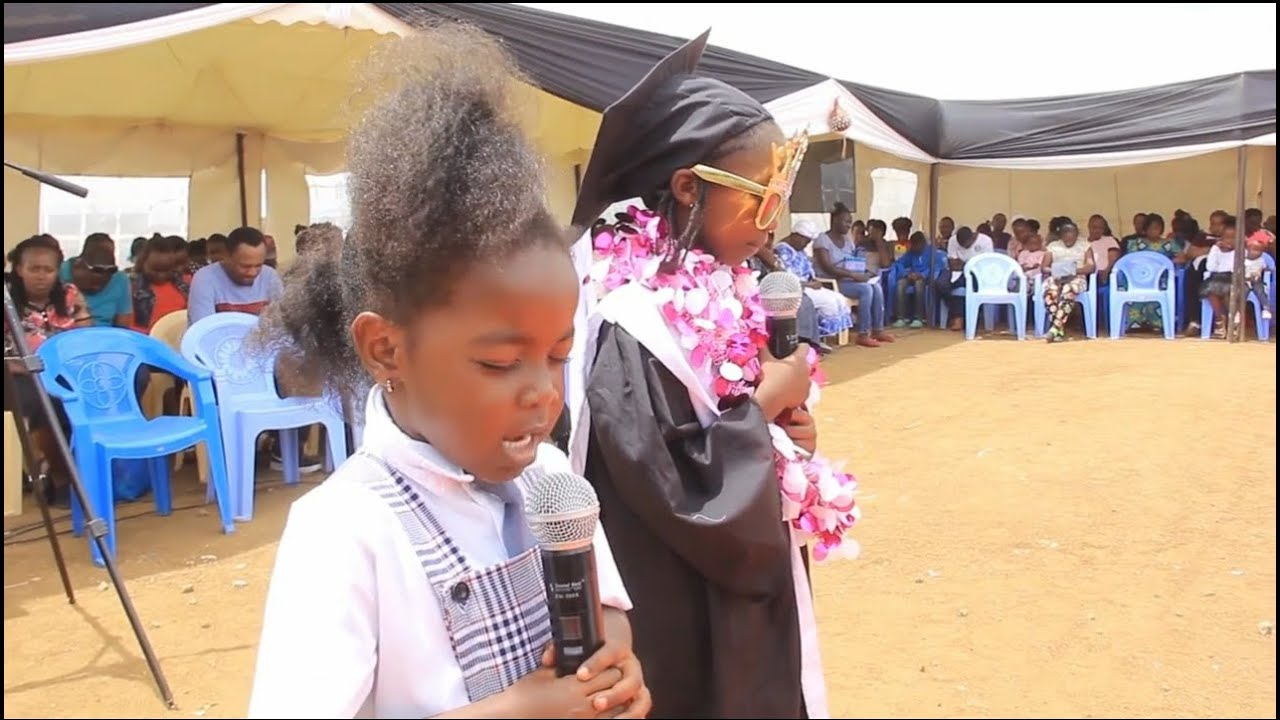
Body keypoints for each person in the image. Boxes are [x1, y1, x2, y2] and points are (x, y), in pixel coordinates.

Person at [247, 27, 649, 719]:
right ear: (385, 351)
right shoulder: (344, 531)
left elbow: (607, 607)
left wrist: (612, 658)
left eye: (559, 355)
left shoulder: (551, 482)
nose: (544, 392)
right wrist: (523, 710)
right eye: (499, 362)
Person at [567, 30, 857, 719]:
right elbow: (669, 486)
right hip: (679, 587)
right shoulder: (629, 314)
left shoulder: (735, 284)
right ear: (688, 187)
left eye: (779, 197)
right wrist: (763, 407)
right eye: (759, 195)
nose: (772, 219)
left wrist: (790, 438)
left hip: (741, 567)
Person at [4, 235, 91, 506]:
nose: (41, 276)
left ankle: (88, 470)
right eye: (34, 269)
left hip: (65, 371)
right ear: (19, 269)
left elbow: (85, 338)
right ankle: (59, 475)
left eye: (48, 269)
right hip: (16, 374)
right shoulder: (7, 298)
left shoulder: (69, 295)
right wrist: (19, 366)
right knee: (44, 400)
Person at [814, 203, 892, 347]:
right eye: (846, 221)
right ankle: (862, 334)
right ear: (834, 220)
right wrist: (854, 276)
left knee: (876, 287)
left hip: (848, 280)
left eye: (850, 222)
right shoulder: (822, 239)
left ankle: (877, 330)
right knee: (866, 289)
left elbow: (852, 261)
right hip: (831, 282)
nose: (849, 225)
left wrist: (862, 272)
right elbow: (828, 267)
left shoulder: (848, 240)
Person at [774, 220, 855, 341]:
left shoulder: (799, 250)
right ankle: (816, 337)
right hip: (797, 288)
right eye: (805, 241)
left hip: (809, 285)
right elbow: (788, 278)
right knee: (828, 302)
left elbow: (807, 270)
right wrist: (809, 284)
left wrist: (813, 281)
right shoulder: (783, 250)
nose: (806, 245)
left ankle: (820, 338)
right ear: (796, 235)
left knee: (838, 298)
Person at [186, 225, 283, 324]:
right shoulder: (205, 279)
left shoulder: (270, 276)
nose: (252, 272)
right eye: (245, 266)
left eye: (258, 266)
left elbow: (281, 323)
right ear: (227, 256)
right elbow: (204, 329)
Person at [60, 233, 133, 327]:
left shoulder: (120, 279)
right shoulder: (59, 273)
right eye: (93, 282)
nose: (98, 287)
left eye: (109, 273)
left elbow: (122, 329)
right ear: (79, 265)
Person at [1040, 219, 1096, 342]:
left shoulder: (1085, 246)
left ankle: (1055, 328)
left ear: (1077, 234)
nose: (1070, 239)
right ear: (1061, 235)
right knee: (1050, 292)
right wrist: (1057, 272)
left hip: (1077, 277)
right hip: (1057, 277)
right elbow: (1044, 267)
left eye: (1073, 235)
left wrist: (1073, 272)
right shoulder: (1053, 246)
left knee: (1068, 291)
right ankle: (1059, 330)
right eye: (1067, 235)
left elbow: (1091, 266)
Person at [1200, 218, 1239, 338]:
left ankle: (1233, 320)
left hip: (1233, 277)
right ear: (1221, 238)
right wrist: (1217, 252)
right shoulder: (1216, 249)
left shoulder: (1241, 250)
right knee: (1211, 291)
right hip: (1217, 276)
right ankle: (1219, 320)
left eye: (1234, 238)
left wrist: (1234, 250)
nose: (1230, 240)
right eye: (1227, 237)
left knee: (1229, 293)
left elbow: (1240, 267)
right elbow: (1210, 267)